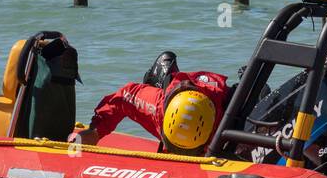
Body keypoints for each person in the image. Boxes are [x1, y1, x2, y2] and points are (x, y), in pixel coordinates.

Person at [72, 51, 232, 155]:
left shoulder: (222, 121)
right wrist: (96, 131)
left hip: (222, 112)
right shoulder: (158, 107)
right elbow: (123, 97)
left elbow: (123, 97)